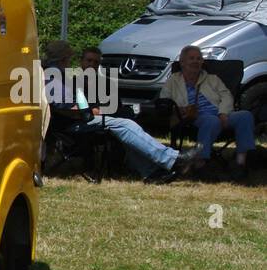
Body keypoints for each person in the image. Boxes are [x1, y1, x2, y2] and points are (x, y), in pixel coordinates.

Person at [44, 40, 188, 184]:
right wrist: (88, 110)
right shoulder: (55, 77)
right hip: (71, 124)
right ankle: (172, 159)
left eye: (95, 62)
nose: (71, 61)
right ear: (63, 59)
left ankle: (152, 173)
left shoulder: (63, 76)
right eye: (70, 58)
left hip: (81, 119)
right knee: (125, 125)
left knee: (124, 127)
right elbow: (64, 106)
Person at [161, 45, 255, 182]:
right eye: (191, 58)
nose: (195, 61)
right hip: (193, 117)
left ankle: (240, 163)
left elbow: (227, 96)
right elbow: (164, 99)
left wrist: (223, 113)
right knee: (211, 120)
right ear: (182, 62)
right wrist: (179, 108)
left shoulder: (212, 79)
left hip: (221, 114)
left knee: (245, 115)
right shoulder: (173, 81)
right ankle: (200, 163)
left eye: (199, 59)